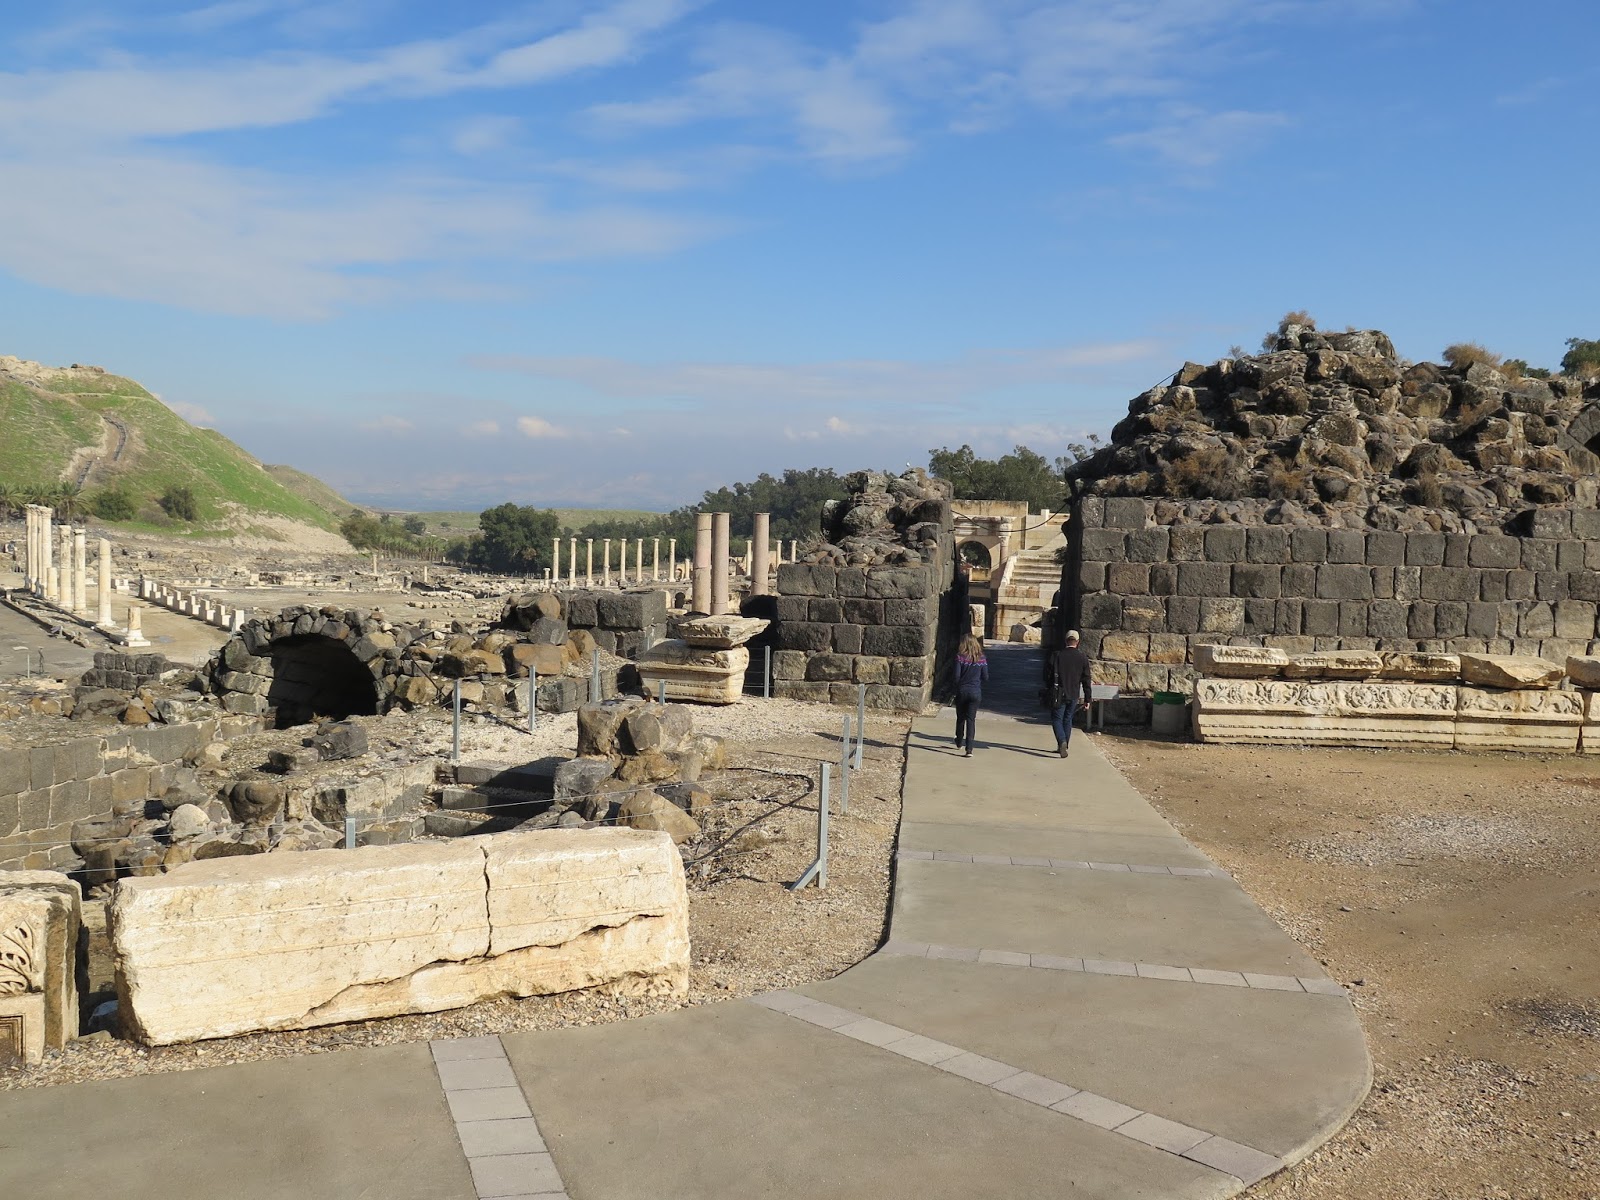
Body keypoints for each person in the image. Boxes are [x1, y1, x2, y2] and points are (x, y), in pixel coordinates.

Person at [1045, 629, 1093, 757]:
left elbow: (1047, 675)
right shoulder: (1082, 658)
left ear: (1065, 641)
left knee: (1057, 718)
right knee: (1068, 719)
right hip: (1074, 693)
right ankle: (1064, 745)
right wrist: (1088, 699)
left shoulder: (1057, 655)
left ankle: (1062, 741)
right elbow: (1086, 679)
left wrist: (1049, 688)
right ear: (1077, 642)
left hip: (1059, 693)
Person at [954, 634, 988, 757]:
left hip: (962, 691)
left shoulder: (960, 657)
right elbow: (985, 677)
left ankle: (959, 740)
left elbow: (956, 676)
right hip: (975, 692)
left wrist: (957, 686)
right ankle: (969, 749)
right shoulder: (982, 658)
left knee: (960, 717)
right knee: (971, 720)